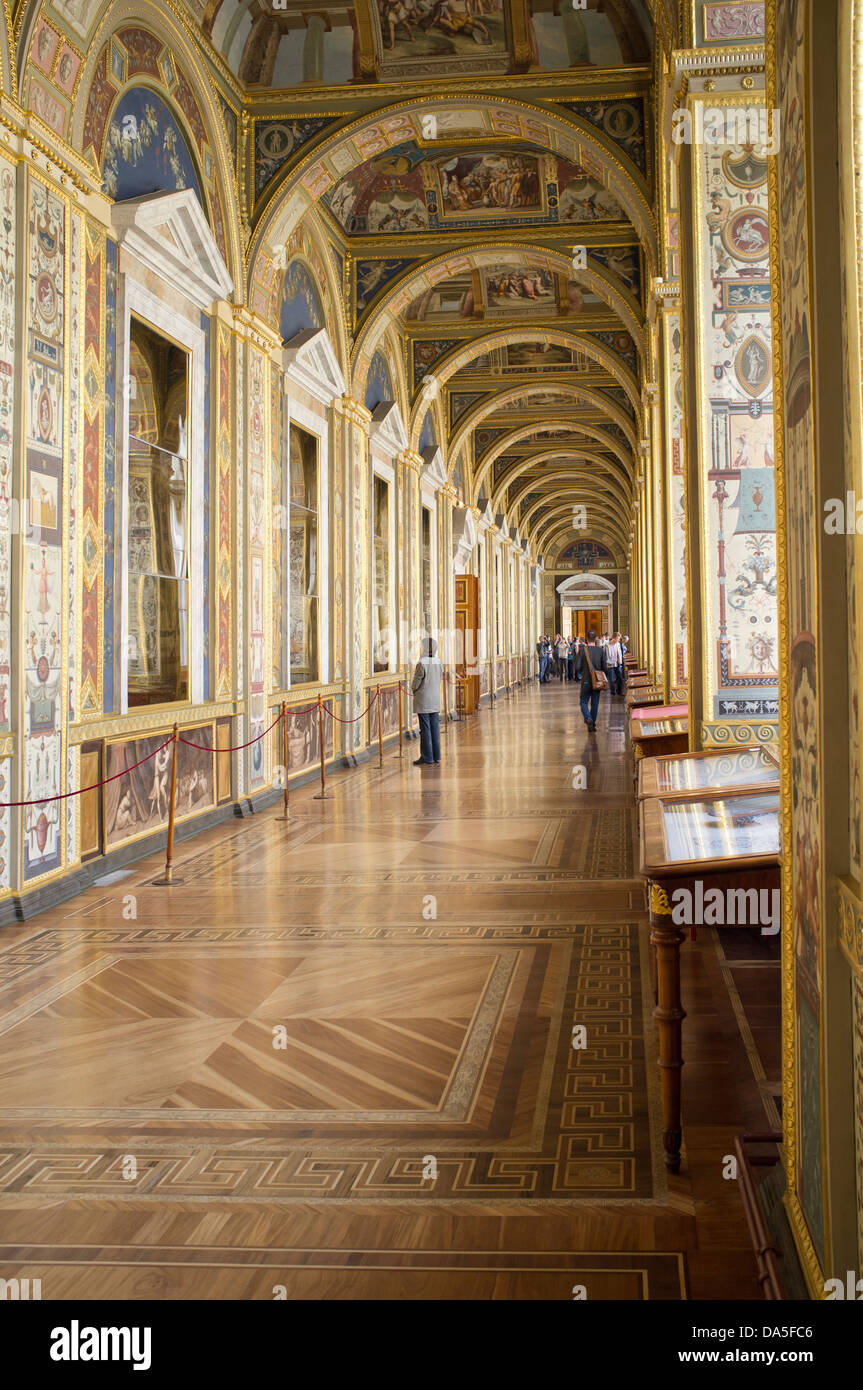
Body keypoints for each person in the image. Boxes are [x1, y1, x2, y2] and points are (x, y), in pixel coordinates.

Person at [411, 636, 443, 765]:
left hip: (423, 699)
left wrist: (413, 688)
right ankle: (436, 756)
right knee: (434, 727)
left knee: (425, 728)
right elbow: (439, 678)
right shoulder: (438, 662)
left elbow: (417, 682)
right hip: (435, 698)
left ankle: (427, 757)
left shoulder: (422, 663)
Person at [575, 628, 610, 733]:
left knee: (583, 702)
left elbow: (577, 667)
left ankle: (588, 717)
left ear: (586, 638)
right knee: (595, 703)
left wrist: (583, 672)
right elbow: (605, 667)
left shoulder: (582, 650)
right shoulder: (600, 650)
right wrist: (603, 677)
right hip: (598, 681)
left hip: (585, 680)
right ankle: (592, 724)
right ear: (596, 638)